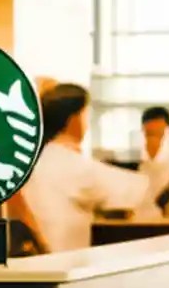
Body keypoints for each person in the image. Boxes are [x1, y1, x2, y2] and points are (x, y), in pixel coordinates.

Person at [24, 84, 151, 252]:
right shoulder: (70, 164)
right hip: (62, 264)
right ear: (74, 119)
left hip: (43, 261)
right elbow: (138, 192)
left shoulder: (41, 158)